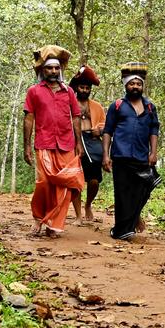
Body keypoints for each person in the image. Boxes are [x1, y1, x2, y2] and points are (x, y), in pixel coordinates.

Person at [22, 46, 84, 237]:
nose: (54, 72)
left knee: (66, 184)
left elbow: (75, 118)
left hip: (66, 144)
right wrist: (26, 147)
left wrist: (79, 143)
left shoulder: (69, 93)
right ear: (42, 70)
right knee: (44, 184)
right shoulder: (34, 91)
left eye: (57, 68)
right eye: (49, 68)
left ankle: (54, 224)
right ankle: (38, 217)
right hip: (44, 143)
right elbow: (29, 119)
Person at [102, 62, 160, 240]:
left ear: (142, 86)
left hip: (142, 156)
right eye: (132, 83)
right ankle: (121, 231)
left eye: (139, 84)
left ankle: (134, 218)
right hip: (120, 156)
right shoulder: (117, 105)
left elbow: (154, 130)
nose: (135, 86)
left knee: (143, 188)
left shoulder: (150, 107)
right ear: (126, 85)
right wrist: (105, 155)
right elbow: (107, 131)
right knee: (122, 194)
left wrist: (153, 152)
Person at [69, 65, 106, 222]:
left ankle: (88, 204)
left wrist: (99, 130)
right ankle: (78, 215)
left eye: (87, 88)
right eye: (81, 87)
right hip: (73, 142)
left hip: (93, 142)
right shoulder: (69, 104)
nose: (84, 90)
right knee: (75, 180)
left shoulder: (97, 107)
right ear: (77, 88)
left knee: (94, 180)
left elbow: (106, 126)